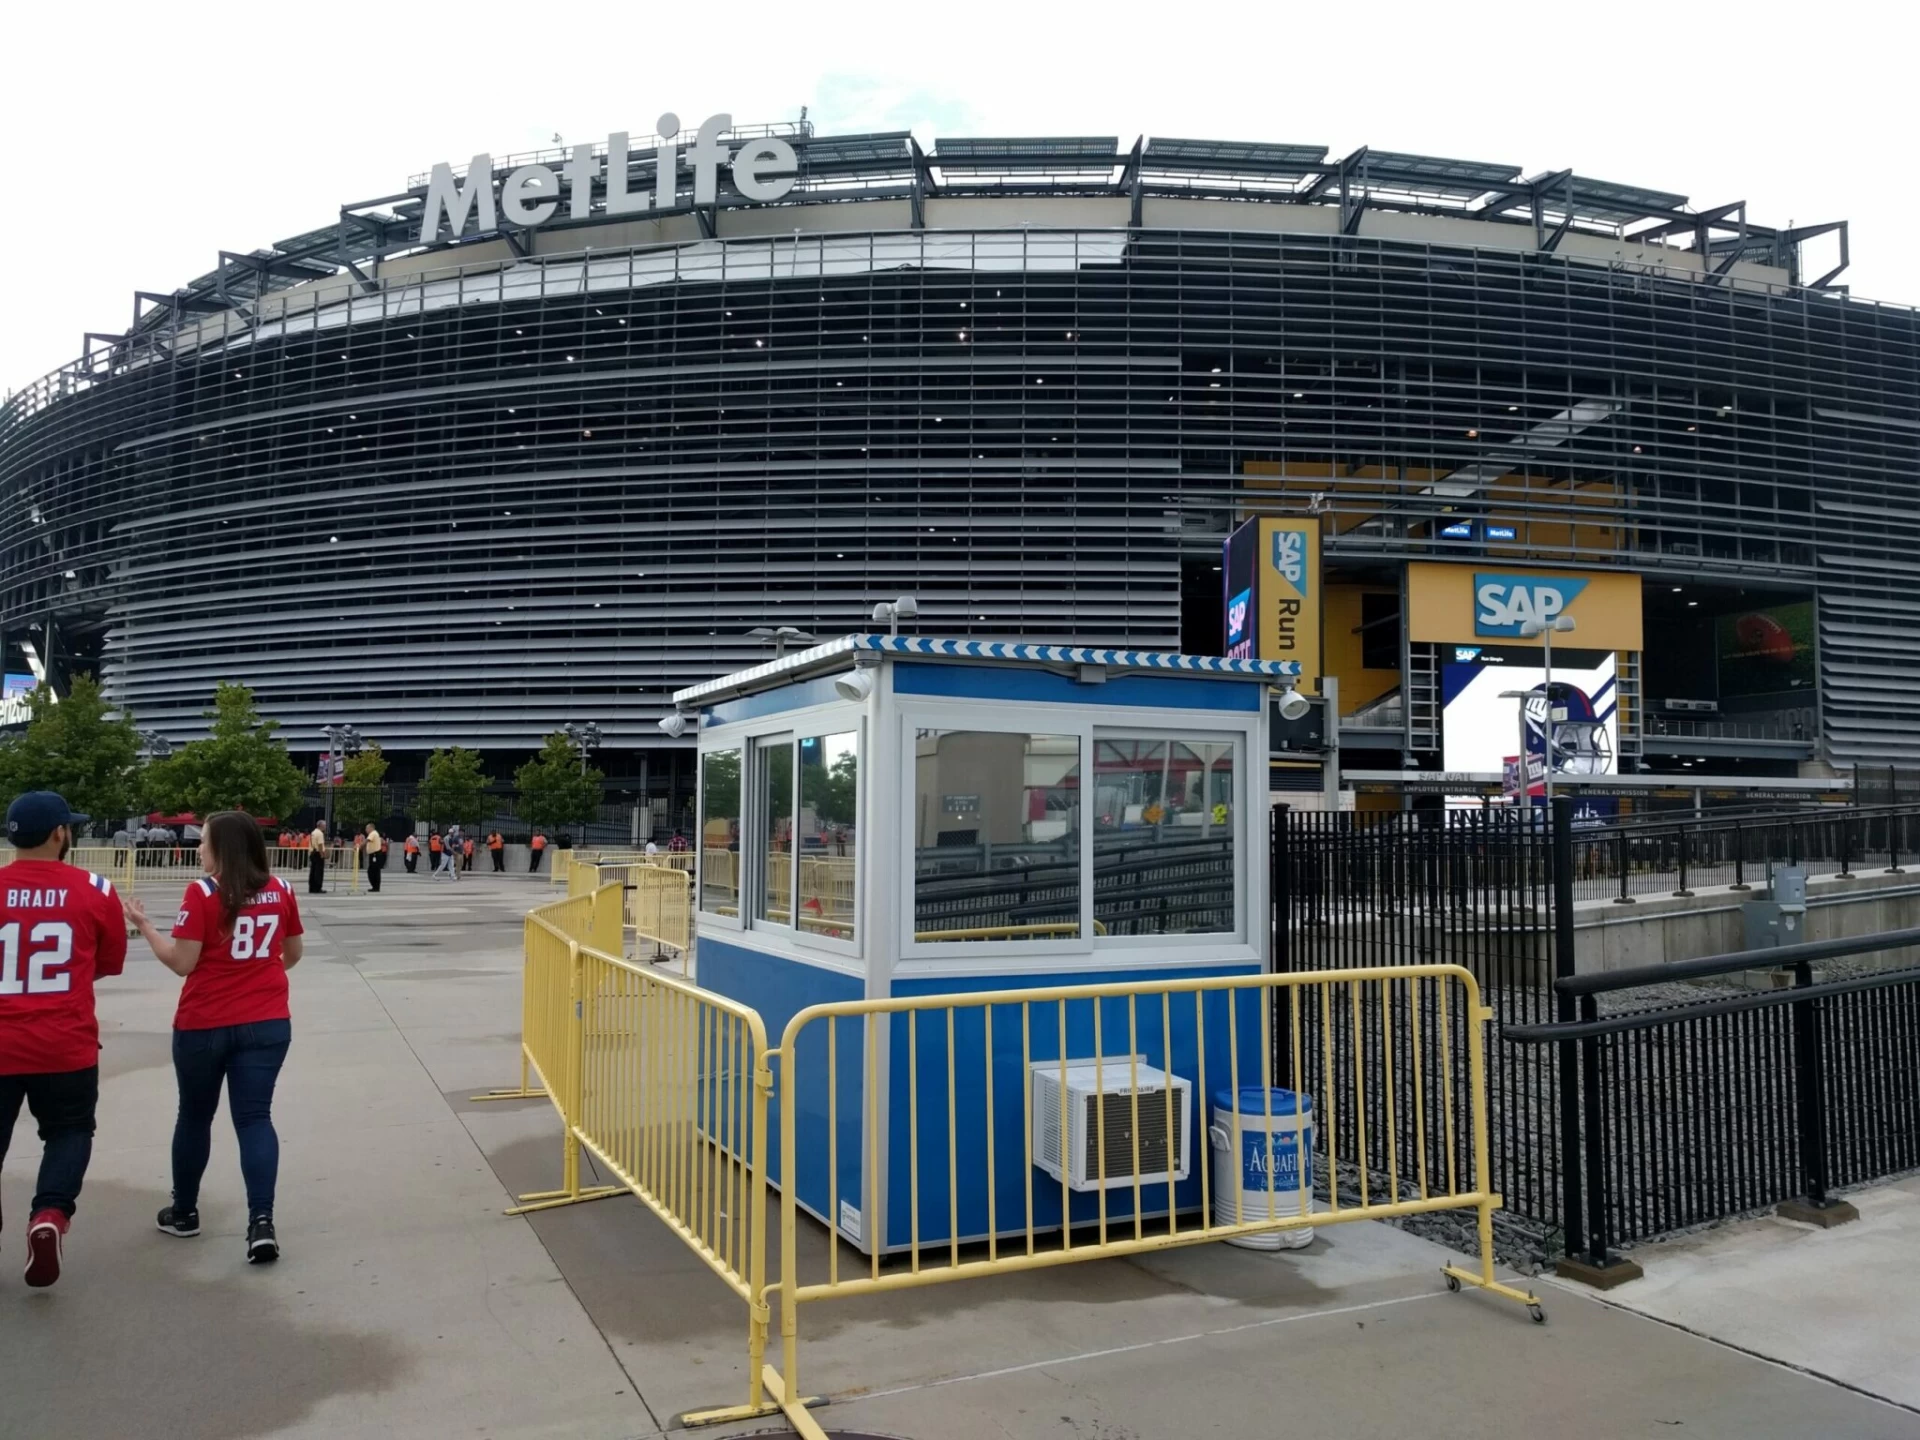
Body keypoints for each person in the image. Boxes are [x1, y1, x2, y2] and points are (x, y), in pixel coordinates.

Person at [124, 811, 302, 1265]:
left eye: (203, 842)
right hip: (265, 1022)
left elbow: (182, 961)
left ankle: (184, 1212)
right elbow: (292, 953)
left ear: (221, 847)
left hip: (204, 1023)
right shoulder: (280, 889)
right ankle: (262, 1221)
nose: (199, 849)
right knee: (255, 1119)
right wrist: (255, 975)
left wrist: (145, 927)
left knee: (195, 1116)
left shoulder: (203, 892)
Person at [0, 792, 127, 1288]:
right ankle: (49, 1215)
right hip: (63, 1039)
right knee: (69, 1132)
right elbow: (109, 961)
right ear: (59, 833)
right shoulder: (94, 887)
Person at [306, 819, 327, 895]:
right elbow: (320, 844)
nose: (325, 827)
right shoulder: (320, 833)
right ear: (321, 825)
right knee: (319, 872)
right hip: (318, 853)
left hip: (312, 852)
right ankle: (318, 888)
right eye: (324, 825)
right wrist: (322, 854)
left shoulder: (313, 832)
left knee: (313, 871)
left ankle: (312, 887)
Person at [364, 822, 384, 893]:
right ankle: (375, 887)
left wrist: (359, 846)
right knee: (374, 871)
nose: (366, 829)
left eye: (367, 828)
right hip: (374, 855)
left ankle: (375, 887)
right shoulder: (374, 833)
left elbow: (367, 840)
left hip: (375, 855)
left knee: (373, 871)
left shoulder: (373, 833)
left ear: (371, 828)